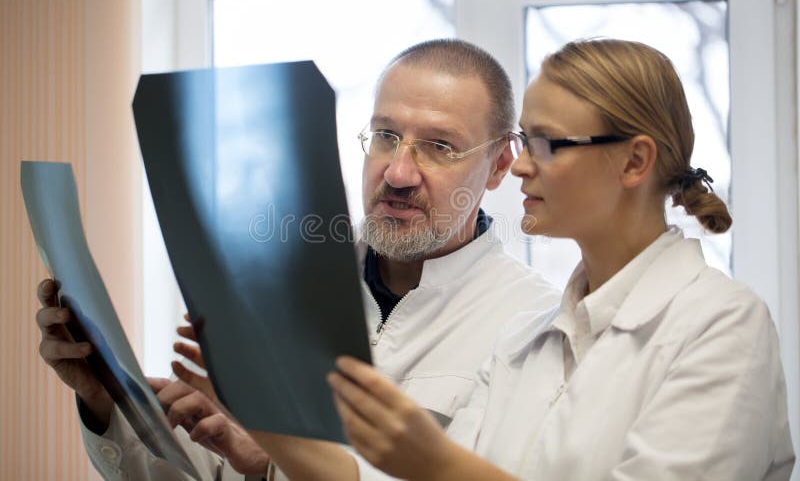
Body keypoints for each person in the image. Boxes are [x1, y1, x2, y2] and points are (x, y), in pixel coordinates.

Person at [35, 39, 560, 480]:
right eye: (386, 136)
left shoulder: (535, 329)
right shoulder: (275, 296)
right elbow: (212, 471)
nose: (398, 173)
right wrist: (105, 402)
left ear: (499, 165)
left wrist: (277, 460)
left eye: (440, 146)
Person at [321, 39, 796, 480]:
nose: (522, 166)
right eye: (527, 141)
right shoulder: (524, 339)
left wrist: (436, 462)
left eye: (546, 144)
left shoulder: (724, 324)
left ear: (634, 162)